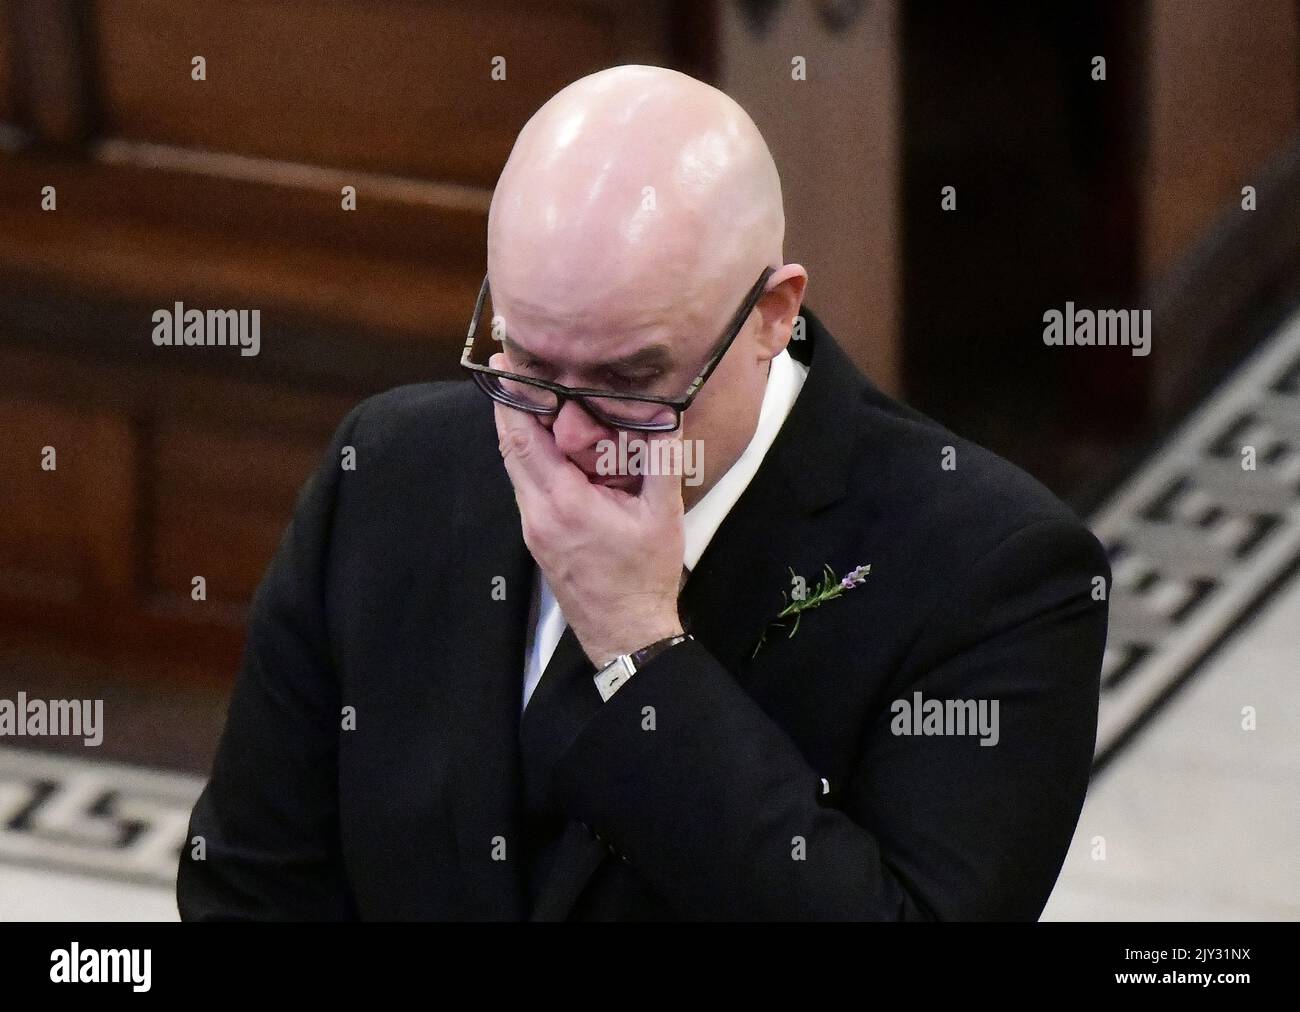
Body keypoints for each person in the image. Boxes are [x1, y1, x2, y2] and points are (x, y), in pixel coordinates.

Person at [177, 64, 1109, 921]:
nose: (571, 435)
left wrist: (638, 646)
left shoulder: (995, 577)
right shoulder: (387, 471)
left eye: (630, 381)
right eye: (531, 364)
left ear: (771, 317)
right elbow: (249, 889)